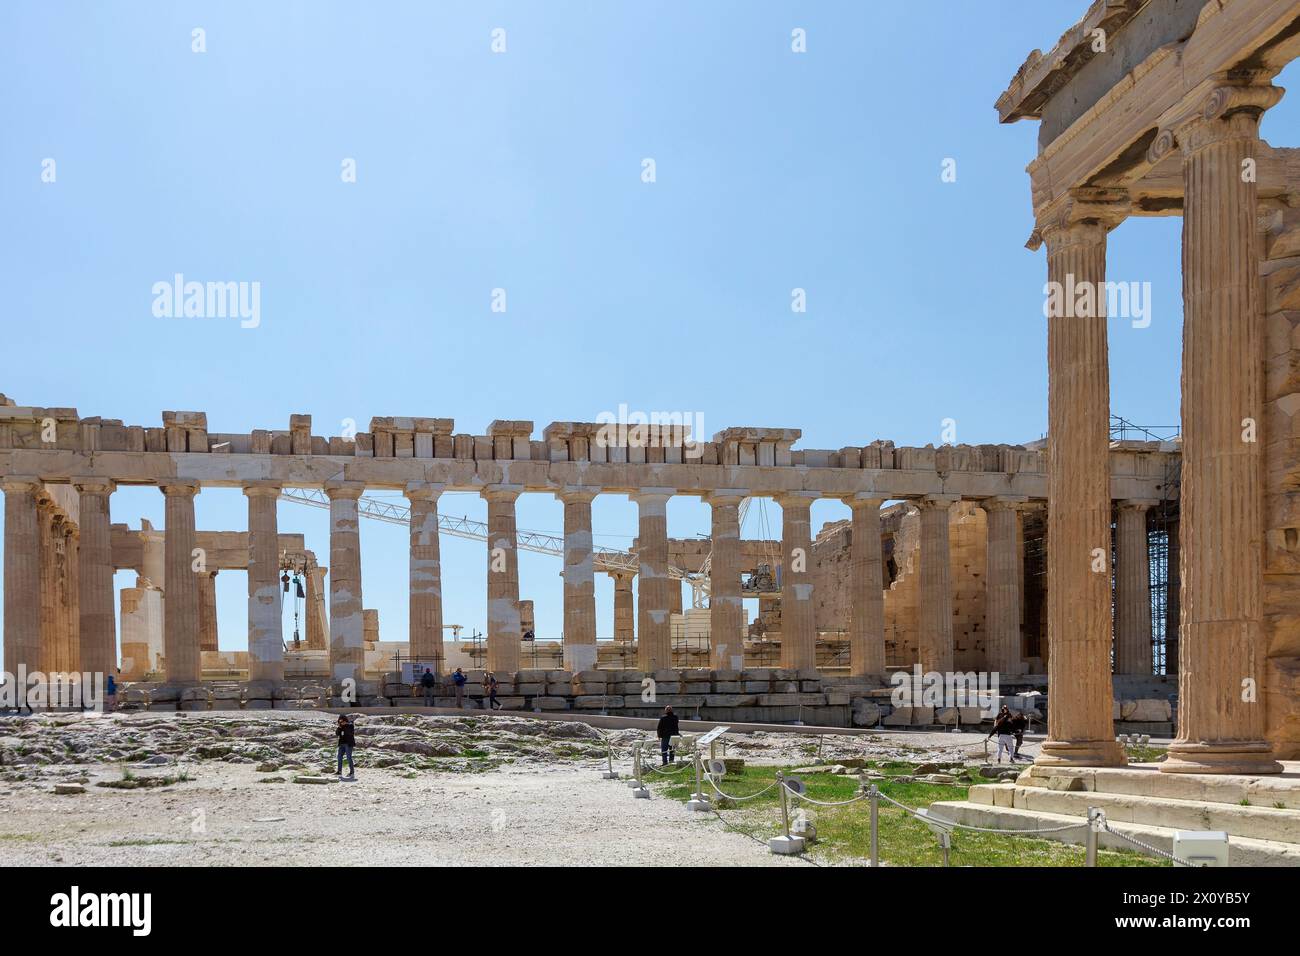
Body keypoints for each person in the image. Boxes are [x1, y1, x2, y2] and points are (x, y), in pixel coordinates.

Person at [336, 714, 356, 780]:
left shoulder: (350, 725)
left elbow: (349, 733)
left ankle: (352, 772)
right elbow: (337, 734)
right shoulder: (340, 726)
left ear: (345, 720)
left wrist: (344, 727)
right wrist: (339, 728)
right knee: (339, 757)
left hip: (348, 744)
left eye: (342, 721)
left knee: (348, 757)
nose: (341, 723)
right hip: (341, 743)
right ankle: (339, 771)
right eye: (340, 722)